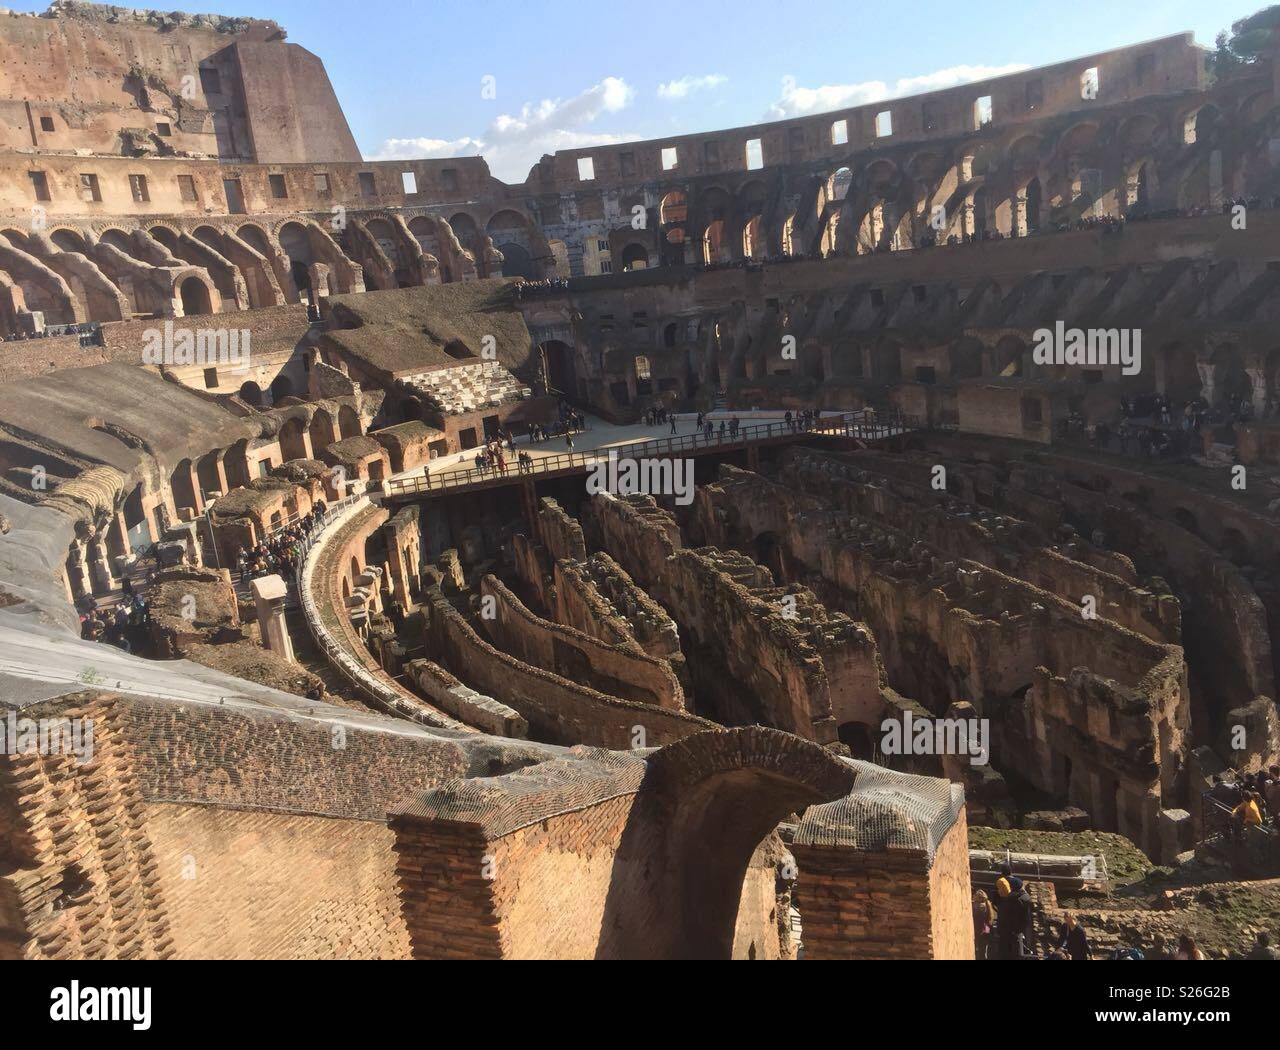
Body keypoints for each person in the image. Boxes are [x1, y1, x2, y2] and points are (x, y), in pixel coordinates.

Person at [972, 889, 994, 960]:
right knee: (984, 949)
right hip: (986, 928)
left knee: (977, 947)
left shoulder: (977, 905)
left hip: (978, 928)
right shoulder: (988, 904)